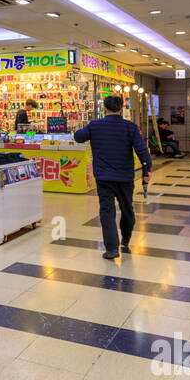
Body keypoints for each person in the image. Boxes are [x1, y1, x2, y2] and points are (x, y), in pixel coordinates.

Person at [73, 95, 151, 259]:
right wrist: (146, 170)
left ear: (104, 109)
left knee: (106, 212)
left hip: (103, 177)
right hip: (125, 177)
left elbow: (78, 137)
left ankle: (112, 249)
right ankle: (125, 241)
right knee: (127, 209)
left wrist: (82, 128)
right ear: (121, 109)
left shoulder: (95, 125)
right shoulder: (130, 127)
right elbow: (142, 150)